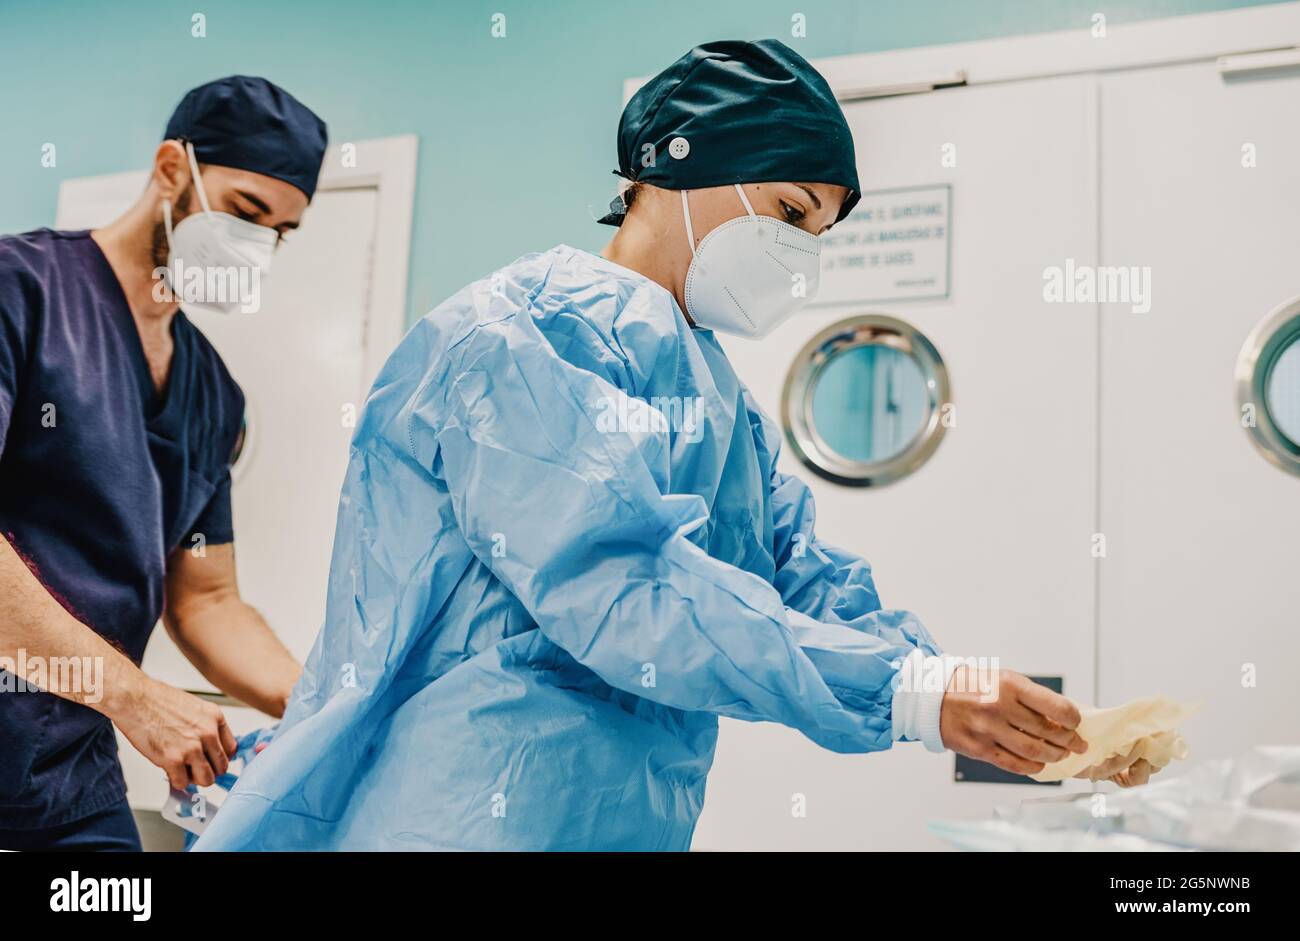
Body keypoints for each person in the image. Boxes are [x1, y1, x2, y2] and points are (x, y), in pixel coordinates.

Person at [197, 41, 1139, 852]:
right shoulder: (514, 340)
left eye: (821, 232)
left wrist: (960, 689)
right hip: (457, 806)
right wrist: (906, 692)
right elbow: (618, 583)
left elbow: (806, 585)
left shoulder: (719, 403)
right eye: (791, 209)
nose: (804, 251)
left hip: (620, 818)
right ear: (678, 170)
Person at [0, 76, 327, 850]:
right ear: (172, 169)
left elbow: (207, 599)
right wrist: (136, 696)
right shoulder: (22, 291)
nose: (257, 244)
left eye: (280, 231)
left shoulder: (213, 395)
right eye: (247, 212)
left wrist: (324, 706)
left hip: (67, 782)